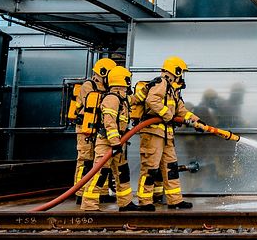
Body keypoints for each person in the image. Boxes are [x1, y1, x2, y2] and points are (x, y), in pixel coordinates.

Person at [135, 56, 199, 210]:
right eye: (181, 72)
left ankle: (175, 200)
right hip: (153, 133)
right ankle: (144, 202)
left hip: (166, 135)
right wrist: (168, 115)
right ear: (175, 71)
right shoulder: (161, 83)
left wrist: (197, 121)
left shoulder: (173, 90)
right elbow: (152, 100)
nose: (181, 76)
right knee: (150, 168)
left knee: (171, 167)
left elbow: (181, 111)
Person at [81, 66, 139, 212]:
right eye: (128, 80)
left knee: (122, 172)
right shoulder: (112, 99)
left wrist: (147, 89)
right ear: (123, 80)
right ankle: (89, 205)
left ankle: (125, 203)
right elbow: (109, 121)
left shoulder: (122, 98)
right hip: (107, 143)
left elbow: (136, 99)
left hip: (118, 143)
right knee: (100, 173)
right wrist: (115, 142)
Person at [70, 57, 115, 205]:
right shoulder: (88, 86)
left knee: (101, 161)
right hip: (85, 130)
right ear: (103, 73)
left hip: (97, 129)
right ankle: (80, 192)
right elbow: (96, 105)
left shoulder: (106, 89)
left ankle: (101, 192)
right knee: (85, 161)